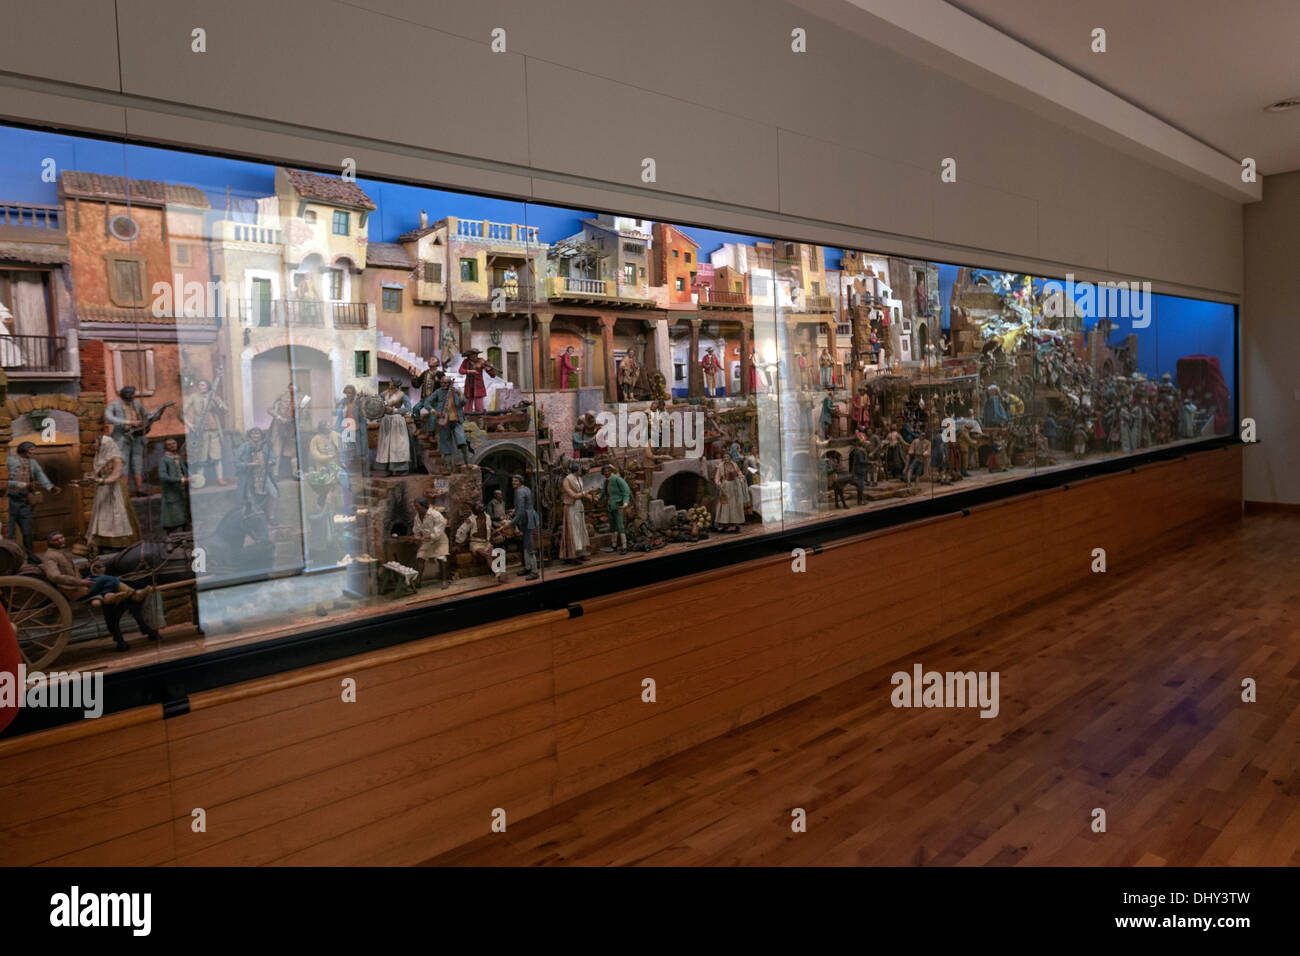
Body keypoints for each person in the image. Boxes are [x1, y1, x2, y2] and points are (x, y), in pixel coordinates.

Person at [40, 531, 155, 651]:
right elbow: (54, 576)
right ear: (49, 542)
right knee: (107, 579)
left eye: (62, 538)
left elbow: (71, 571)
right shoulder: (50, 556)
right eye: (56, 540)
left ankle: (108, 595)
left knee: (100, 577)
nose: (60, 541)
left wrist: (86, 568)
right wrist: (80, 582)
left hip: (78, 585)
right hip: (74, 590)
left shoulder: (60, 553)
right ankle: (134, 594)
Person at [87, 425, 138, 549]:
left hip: (114, 488)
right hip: (102, 488)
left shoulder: (115, 458)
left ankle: (121, 543)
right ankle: (105, 543)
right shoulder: (99, 455)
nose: (93, 445)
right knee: (102, 513)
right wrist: (89, 479)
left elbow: (116, 475)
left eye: (95, 442)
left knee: (117, 513)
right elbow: (97, 473)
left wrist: (101, 480)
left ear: (104, 444)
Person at [5, 441, 59, 559]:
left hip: (24, 500)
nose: (33, 452)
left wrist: (50, 487)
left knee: (27, 529)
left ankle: (30, 555)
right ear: (23, 449)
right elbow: (4, 481)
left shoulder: (33, 462)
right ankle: (10, 558)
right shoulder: (9, 460)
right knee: (9, 530)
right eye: (31, 449)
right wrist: (25, 485)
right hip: (9, 500)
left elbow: (40, 475)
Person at [104, 385, 157, 496]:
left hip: (137, 437)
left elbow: (146, 415)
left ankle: (139, 489)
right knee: (123, 463)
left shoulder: (136, 405)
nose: (134, 396)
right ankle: (124, 492)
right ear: (127, 394)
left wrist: (154, 415)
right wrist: (128, 422)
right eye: (133, 394)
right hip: (121, 438)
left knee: (138, 463)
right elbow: (109, 418)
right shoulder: (114, 405)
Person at [182, 378, 227, 486]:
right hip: (200, 432)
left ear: (208, 386)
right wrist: (189, 424)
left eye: (203, 385)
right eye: (200, 385)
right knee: (201, 457)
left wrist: (217, 401)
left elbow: (225, 410)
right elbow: (181, 412)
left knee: (217, 456)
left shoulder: (214, 396)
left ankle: (220, 478)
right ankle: (200, 480)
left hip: (215, 431)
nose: (201, 387)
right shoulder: (193, 397)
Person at [421, 380, 472, 471]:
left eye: (445, 383)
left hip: (456, 420)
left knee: (462, 441)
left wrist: (459, 394)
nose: (443, 385)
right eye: (442, 383)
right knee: (446, 444)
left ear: (449, 383)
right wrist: (433, 411)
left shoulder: (455, 391)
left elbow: (464, 402)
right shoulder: (438, 392)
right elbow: (427, 403)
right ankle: (447, 467)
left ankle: (467, 462)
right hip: (444, 421)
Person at [455, 500, 505, 584]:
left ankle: (499, 572)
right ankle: (498, 575)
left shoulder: (487, 517)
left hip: (486, 543)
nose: (480, 505)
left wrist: (496, 535)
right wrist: (458, 543)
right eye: (478, 505)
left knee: (495, 554)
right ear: (475, 508)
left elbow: (489, 528)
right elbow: (462, 530)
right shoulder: (470, 519)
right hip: (476, 543)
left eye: (481, 504)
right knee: (488, 555)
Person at [236, 427, 278, 518]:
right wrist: (250, 464)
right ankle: (256, 517)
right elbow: (237, 463)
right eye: (253, 434)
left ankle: (271, 516)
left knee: (274, 493)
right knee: (251, 498)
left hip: (264, 475)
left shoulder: (265, 446)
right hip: (248, 477)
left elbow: (274, 459)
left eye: (257, 433)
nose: (255, 436)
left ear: (261, 435)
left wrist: (269, 462)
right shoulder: (244, 446)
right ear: (250, 435)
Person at [267, 383, 305, 479]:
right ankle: (275, 474)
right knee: (276, 450)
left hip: (292, 426)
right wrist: (279, 417)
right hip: (279, 426)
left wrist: (298, 423)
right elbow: (269, 409)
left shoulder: (303, 399)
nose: (292, 391)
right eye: (291, 389)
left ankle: (295, 473)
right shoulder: (280, 395)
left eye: (295, 390)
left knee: (294, 451)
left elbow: (303, 414)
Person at [375, 382, 412, 476]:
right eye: (390, 382)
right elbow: (376, 402)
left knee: (398, 445)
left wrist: (395, 410)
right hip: (386, 420)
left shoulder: (402, 395)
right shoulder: (384, 394)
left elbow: (408, 408)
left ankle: (400, 469)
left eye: (391, 382)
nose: (390, 383)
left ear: (396, 384)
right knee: (385, 444)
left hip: (397, 420)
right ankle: (387, 469)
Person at [412, 497, 449, 589]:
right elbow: (416, 530)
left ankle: (444, 581)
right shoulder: (417, 517)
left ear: (423, 506)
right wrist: (417, 539)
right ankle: (418, 581)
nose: (415, 508)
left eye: (417, 506)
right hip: (427, 541)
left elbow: (439, 529)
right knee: (420, 557)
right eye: (414, 506)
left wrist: (429, 537)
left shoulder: (435, 514)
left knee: (441, 558)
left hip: (439, 539)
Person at [508, 474, 540, 580]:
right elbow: (527, 505)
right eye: (513, 481)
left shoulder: (520, 492)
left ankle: (535, 571)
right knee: (526, 544)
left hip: (527, 519)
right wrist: (515, 510)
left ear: (520, 482)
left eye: (516, 481)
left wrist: (511, 523)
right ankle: (528, 567)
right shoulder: (526, 489)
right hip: (528, 517)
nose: (513, 483)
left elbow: (521, 512)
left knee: (529, 545)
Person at [559, 463, 591, 563]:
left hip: (579, 505)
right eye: (580, 468)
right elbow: (573, 495)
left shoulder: (579, 478)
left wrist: (590, 496)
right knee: (574, 529)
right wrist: (586, 492)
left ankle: (580, 552)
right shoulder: (567, 479)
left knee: (580, 527)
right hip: (571, 506)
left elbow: (581, 492)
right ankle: (573, 555)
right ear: (576, 469)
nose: (581, 470)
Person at [158, 438, 190, 532]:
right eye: (169, 444)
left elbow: (184, 470)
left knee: (184, 513)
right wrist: (181, 480)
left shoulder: (179, 458)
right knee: (172, 516)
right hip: (171, 492)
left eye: (174, 443)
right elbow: (163, 477)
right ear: (165, 447)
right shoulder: (164, 460)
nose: (172, 445)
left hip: (182, 491)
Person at [599, 464, 632, 553]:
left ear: (611, 471)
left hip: (618, 506)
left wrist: (625, 503)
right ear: (603, 473)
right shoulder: (606, 481)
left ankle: (624, 547)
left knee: (620, 526)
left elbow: (626, 491)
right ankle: (614, 545)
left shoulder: (617, 479)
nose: (607, 473)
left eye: (608, 471)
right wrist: (597, 497)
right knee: (612, 526)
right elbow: (603, 492)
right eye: (605, 472)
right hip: (610, 506)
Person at [713, 458, 747, 531]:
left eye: (727, 456)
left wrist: (741, 478)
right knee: (725, 504)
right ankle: (724, 523)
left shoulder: (734, 465)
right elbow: (717, 476)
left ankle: (736, 523)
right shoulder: (721, 466)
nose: (726, 458)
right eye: (725, 456)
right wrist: (718, 483)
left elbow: (739, 473)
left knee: (734, 504)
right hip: (725, 486)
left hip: (734, 486)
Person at [459, 348, 494, 414]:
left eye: (476, 355)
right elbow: (460, 370)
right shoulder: (466, 361)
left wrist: (490, 369)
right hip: (469, 386)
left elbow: (492, 375)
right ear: (469, 356)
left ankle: (479, 417)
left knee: (479, 405)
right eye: (473, 355)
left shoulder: (481, 361)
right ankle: (468, 417)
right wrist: (469, 371)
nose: (475, 357)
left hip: (478, 386)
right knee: (467, 405)